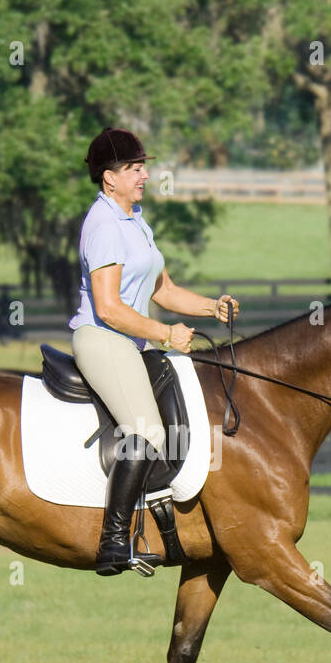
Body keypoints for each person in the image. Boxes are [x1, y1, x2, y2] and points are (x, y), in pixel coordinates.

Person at [69, 127, 239, 576]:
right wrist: (165, 335)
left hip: (129, 339)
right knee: (146, 432)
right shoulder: (105, 225)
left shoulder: (134, 219)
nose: (145, 174)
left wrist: (210, 306)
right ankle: (112, 543)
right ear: (110, 178)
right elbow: (108, 307)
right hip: (104, 339)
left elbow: (163, 289)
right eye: (135, 167)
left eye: (143, 166)